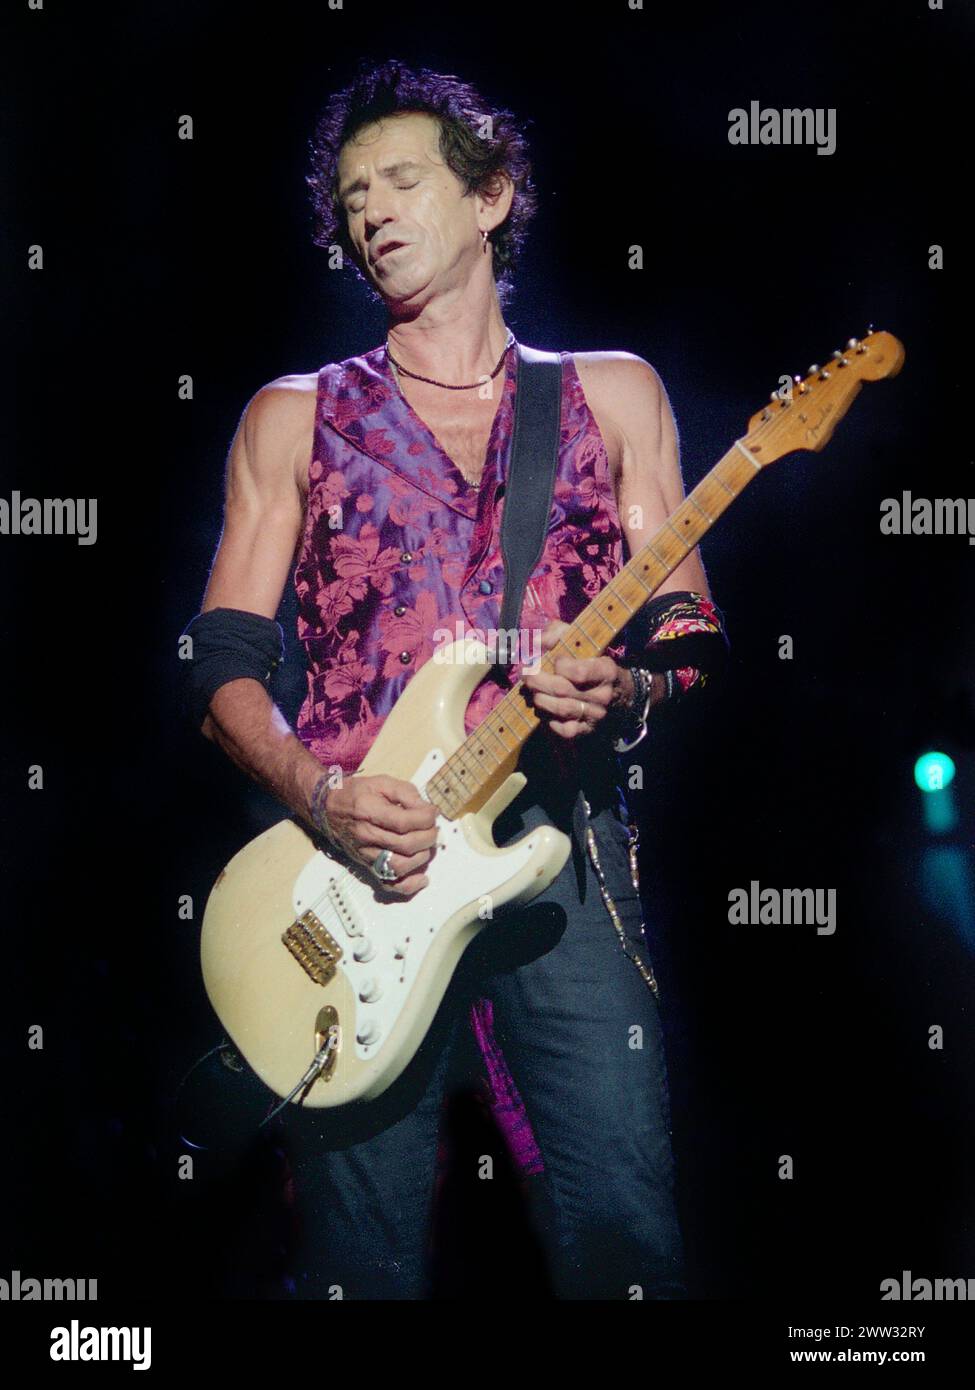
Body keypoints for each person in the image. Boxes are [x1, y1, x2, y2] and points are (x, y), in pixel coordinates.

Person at [182, 59, 729, 1299]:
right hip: (352, 876)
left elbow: (691, 631)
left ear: (491, 196)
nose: (371, 209)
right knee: (358, 1265)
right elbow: (218, 664)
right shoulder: (294, 416)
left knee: (627, 1236)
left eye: (402, 179)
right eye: (352, 194)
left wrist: (629, 694)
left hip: (559, 857)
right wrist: (323, 797)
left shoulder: (612, 394)